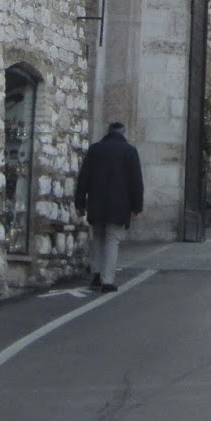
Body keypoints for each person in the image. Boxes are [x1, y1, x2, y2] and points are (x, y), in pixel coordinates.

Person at [73, 120, 144, 292]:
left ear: (108, 132)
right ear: (123, 133)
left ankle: (96, 275)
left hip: (96, 204)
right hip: (119, 206)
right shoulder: (129, 151)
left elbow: (83, 179)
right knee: (112, 240)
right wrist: (137, 207)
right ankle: (107, 280)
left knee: (97, 238)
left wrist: (80, 203)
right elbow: (136, 182)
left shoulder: (95, 149)